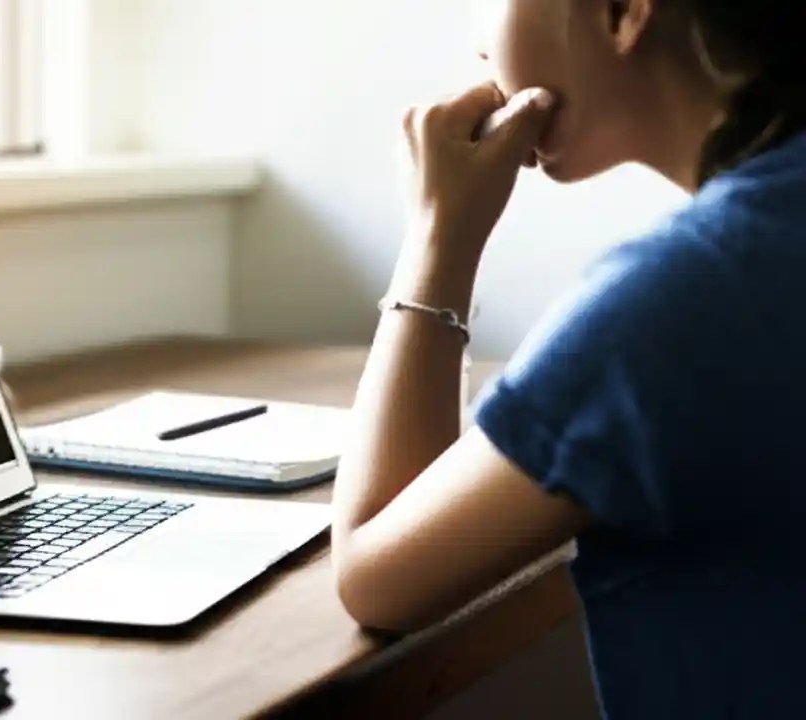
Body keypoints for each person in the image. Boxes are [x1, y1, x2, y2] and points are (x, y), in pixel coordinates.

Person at [330, 0, 805, 717]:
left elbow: (377, 575)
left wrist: (438, 236)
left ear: (623, 12)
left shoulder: (681, 298)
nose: (477, 40)